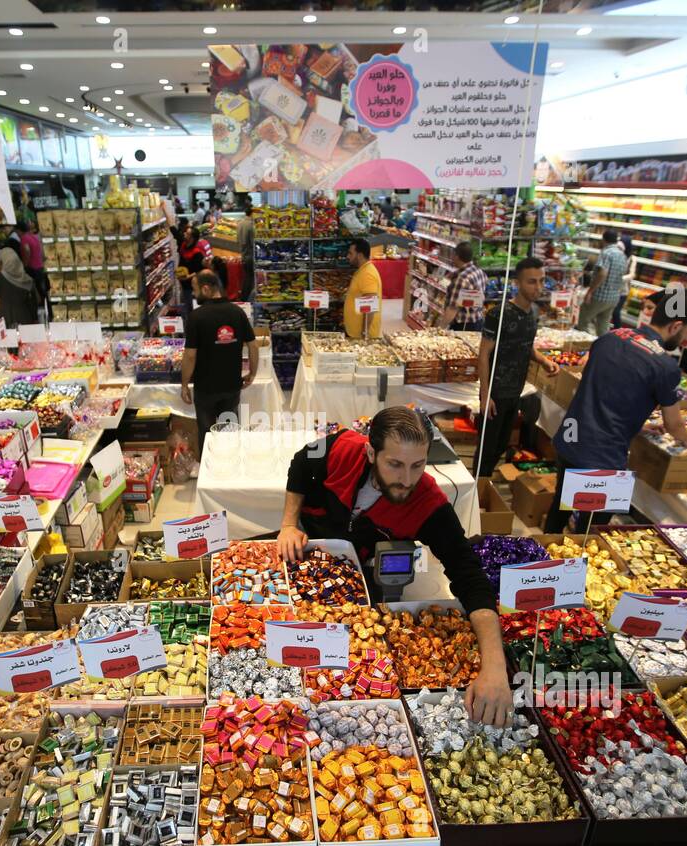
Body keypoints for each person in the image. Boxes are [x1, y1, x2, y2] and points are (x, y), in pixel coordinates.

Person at [276, 406, 512, 727]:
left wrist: (495, 669)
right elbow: (301, 464)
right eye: (395, 464)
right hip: (309, 550)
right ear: (371, 452)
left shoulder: (428, 503)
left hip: (359, 579)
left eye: (418, 465)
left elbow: (469, 575)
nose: (407, 480)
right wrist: (289, 524)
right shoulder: (343, 447)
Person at [545, 293, 687, 533]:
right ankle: (576, 566)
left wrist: (637, 425)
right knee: (592, 531)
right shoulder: (665, 366)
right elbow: (674, 426)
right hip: (604, 457)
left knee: (561, 508)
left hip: (571, 441)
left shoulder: (609, 337)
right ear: (676, 326)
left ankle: (545, 556)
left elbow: (602, 393)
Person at [477, 257, 559, 477]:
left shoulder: (533, 313)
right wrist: (485, 394)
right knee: (487, 448)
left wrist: (543, 360)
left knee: (503, 444)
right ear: (517, 283)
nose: (538, 287)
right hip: (495, 392)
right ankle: (476, 490)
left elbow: (527, 347)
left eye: (542, 281)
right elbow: (483, 354)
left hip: (516, 391)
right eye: (532, 282)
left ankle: (484, 484)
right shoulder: (498, 313)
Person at [179, 270, 259, 459]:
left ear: (206, 289)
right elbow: (253, 346)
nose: (194, 294)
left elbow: (190, 356)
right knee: (230, 428)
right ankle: (231, 466)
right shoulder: (237, 312)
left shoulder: (197, 317)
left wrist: (184, 384)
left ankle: (209, 470)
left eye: (195, 289)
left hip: (205, 387)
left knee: (206, 432)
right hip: (231, 384)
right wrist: (252, 373)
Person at [577, 229, 628, 337]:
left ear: (603, 239)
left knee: (582, 321)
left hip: (600, 296)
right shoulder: (622, 255)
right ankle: (602, 348)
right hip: (614, 297)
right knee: (603, 326)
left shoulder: (606, 253)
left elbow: (602, 274)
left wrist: (590, 292)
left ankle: (584, 347)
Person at [439, 241, 487, 331]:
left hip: (463, 326)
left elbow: (452, 309)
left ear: (456, 256)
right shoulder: (479, 271)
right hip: (477, 320)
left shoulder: (461, 280)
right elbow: (477, 297)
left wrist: (440, 329)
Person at [343, 238, 383, 340]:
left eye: (350, 253)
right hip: (356, 332)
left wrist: (365, 332)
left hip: (362, 335)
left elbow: (370, 306)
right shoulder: (363, 270)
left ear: (360, 255)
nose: (348, 257)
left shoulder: (367, 274)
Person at [0, 243, 39, 327]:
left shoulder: (0, 279)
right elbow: (35, 302)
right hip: (25, 319)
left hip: (6, 319)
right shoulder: (27, 280)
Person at [178, 225, 212, 315]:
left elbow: (200, 271)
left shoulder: (197, 253)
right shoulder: (183, 246)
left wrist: (187, 277)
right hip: (184, 285)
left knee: (192, 308)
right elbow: (174, 230)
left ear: (192, 238)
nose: (184, 234)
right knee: (186, 306)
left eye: (187, 233)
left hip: (193, 286)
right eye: (185, 232)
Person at [16, 220, 49, 303]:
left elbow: (27, 250)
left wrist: (25, 265)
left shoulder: (24, 238)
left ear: (19, 230)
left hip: (32, 267)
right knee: (41, 288)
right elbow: (40, 250)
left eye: (16, 231)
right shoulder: (33, 236)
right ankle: (46, 304)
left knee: (35, 288)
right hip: (40, 266)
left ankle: (40, 305)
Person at [236, 194, 255, 302]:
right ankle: (247, 299)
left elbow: (238, 240)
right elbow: (253, 243)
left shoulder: (240, 223)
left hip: (243, 254)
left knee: (247, 277)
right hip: (250, 255)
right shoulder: (251, 225)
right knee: (250, 279)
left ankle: (244, 297)